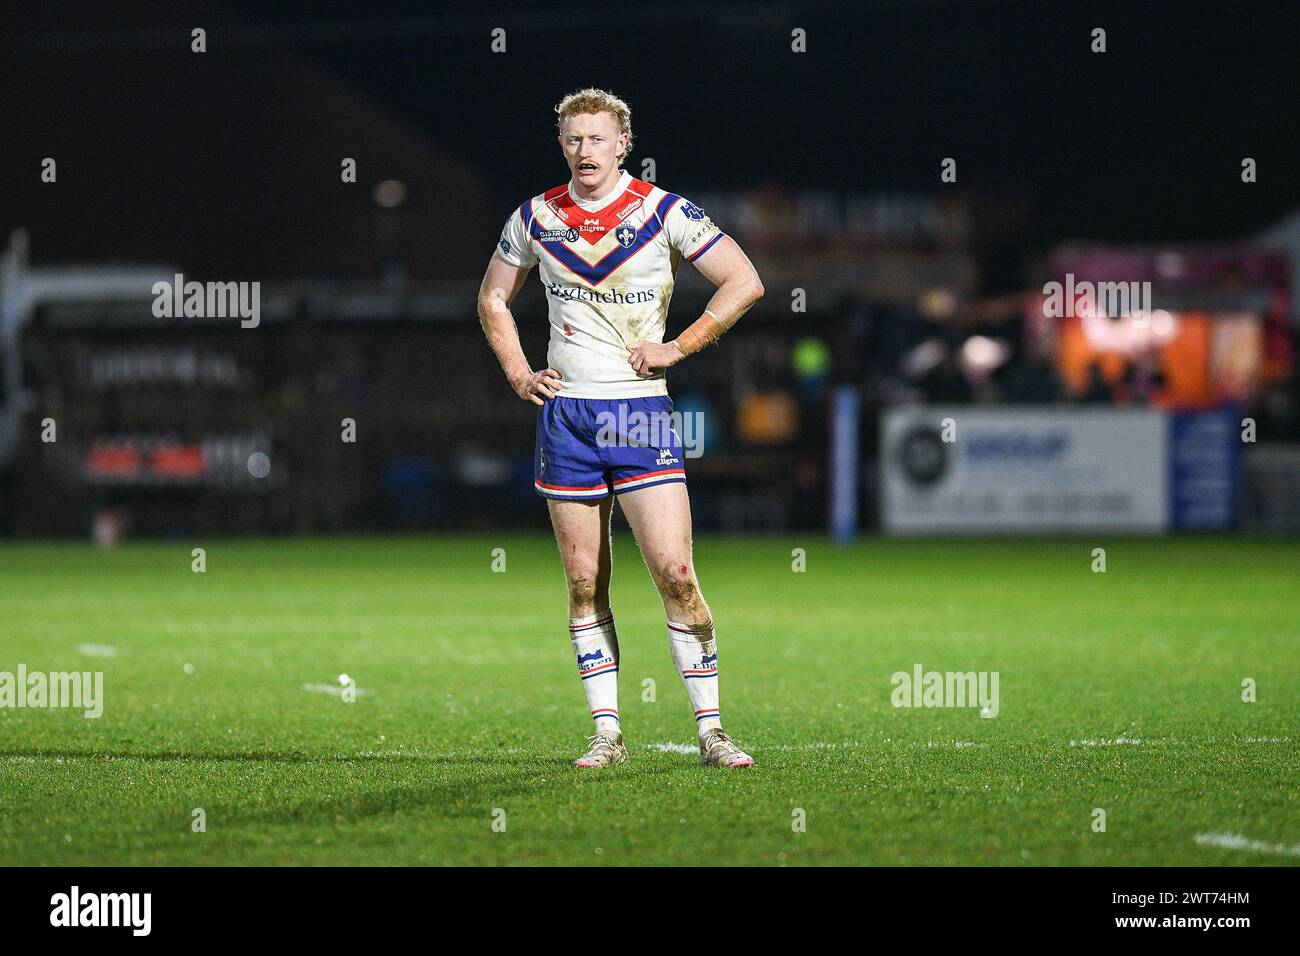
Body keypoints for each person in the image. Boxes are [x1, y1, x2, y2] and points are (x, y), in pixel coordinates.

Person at [477, 88, 764, 768]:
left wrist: (681, 346)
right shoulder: (536, 217)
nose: (584, 151)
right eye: (573, 139)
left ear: (622, 144)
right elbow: (492, 296)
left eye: (597, 139)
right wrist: (520, 372)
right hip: (567, 417)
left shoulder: (663, 212)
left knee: (675, 570)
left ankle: (712, 731)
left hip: (638, 413)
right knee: (584, 581)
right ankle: (607, 734)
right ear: (562, 145)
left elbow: (744, 281)